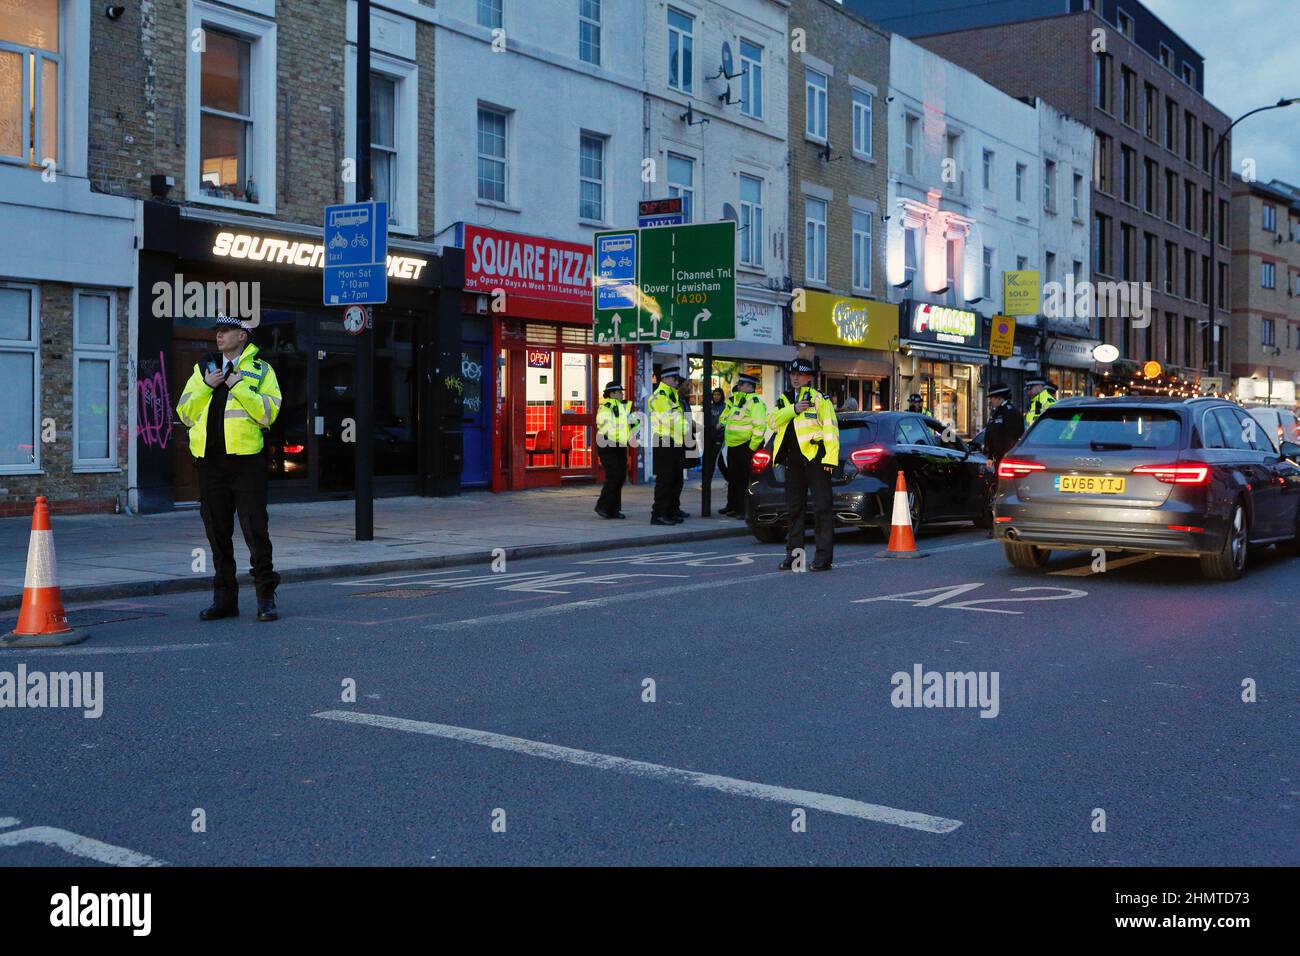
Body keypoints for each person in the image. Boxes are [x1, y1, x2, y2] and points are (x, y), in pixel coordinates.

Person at [176, 315, 283, 621]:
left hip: (247, 463)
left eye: (226, 331)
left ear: (243, 336)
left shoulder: (261, 371)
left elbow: (267, 415)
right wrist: (207, 388)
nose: (219, 336)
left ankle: (265, 597)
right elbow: (184, 412)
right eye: (217, 332)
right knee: (217, 534)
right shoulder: (203, 369)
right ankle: (225, 600)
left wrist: (239, 386)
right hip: (210, 464)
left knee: (255, 532)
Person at [769, 357, 840, 571]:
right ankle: (795, 557)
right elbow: (771, 421)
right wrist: (793, 409)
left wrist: (830, 458)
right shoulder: (784, 400)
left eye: (800, 374)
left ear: (809, 377)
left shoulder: (820, 399)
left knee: (822, 508)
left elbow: (831, 429)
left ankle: (823, 558)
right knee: (794, 510)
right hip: (794, 460)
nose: (795, 378)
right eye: (793, 374)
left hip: (816, 458)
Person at [718, 373, 767, 518]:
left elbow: (759, 427)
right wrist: (722, 425)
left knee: (745, 480)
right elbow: (732, 420)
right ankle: (733, 506)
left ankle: (745, 510)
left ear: (749, 386)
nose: (738, 386)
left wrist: (751, 448)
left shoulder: (755, 401)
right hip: (734, 446)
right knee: (734, 478)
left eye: (741, 384)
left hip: (746, 446)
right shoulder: (739, 400)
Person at [982, 383, 1025, 536]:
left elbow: (1013, 438)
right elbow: (992, 435)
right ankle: (998, 526)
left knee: (1006, 493)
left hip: (1007, 460)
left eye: (992, 398)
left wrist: (1008, 458)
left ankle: (1005, 526)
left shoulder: (1010, 413)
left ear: (1000, 398)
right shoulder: (997, 412)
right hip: (998, 459)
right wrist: (990, 455)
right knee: (998, 493)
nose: (991, 401)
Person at [648, 366, 688, 525]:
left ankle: (670, 511)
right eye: (674, 378)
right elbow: (671, 419)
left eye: (677, 379)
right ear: (664, 379)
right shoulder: (661, 396)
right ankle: (658, 514)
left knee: (675, 479)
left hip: (674, 440)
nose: (676, 381)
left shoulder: (671, 395)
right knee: (665, 480)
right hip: (664, 440)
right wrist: (686, 428)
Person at [595, 382, 636, 519]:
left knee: (620, 477)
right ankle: (603, 506)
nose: (622, 394)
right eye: (619, 392)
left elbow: (632, 424)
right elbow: (605, 425)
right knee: (614, 475)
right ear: (612, 394)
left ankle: (614, 509)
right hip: (608, 444)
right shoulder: (606, 407)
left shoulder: (624, 407)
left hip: (620, 446)